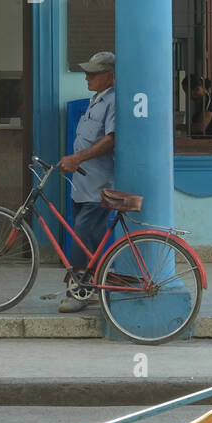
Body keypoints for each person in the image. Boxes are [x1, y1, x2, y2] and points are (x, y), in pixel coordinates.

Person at [58, 50, 116, 312]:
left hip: (98, 186)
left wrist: (78, 158)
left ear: (109, 76)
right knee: (86, 239)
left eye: (93, 74)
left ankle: (79, 292)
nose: (87, 78)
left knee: (82, 238)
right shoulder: (97, 100)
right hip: (82, 185)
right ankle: (90, 286)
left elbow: (110, 139)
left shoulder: (113, 101)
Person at [182, 73, 212, 137]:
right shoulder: (202, 102)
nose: (189, 96)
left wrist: (179, 126)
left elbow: (201, 127)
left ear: (197, 89)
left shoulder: (208, 102)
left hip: (207, 142)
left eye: (187, 92)